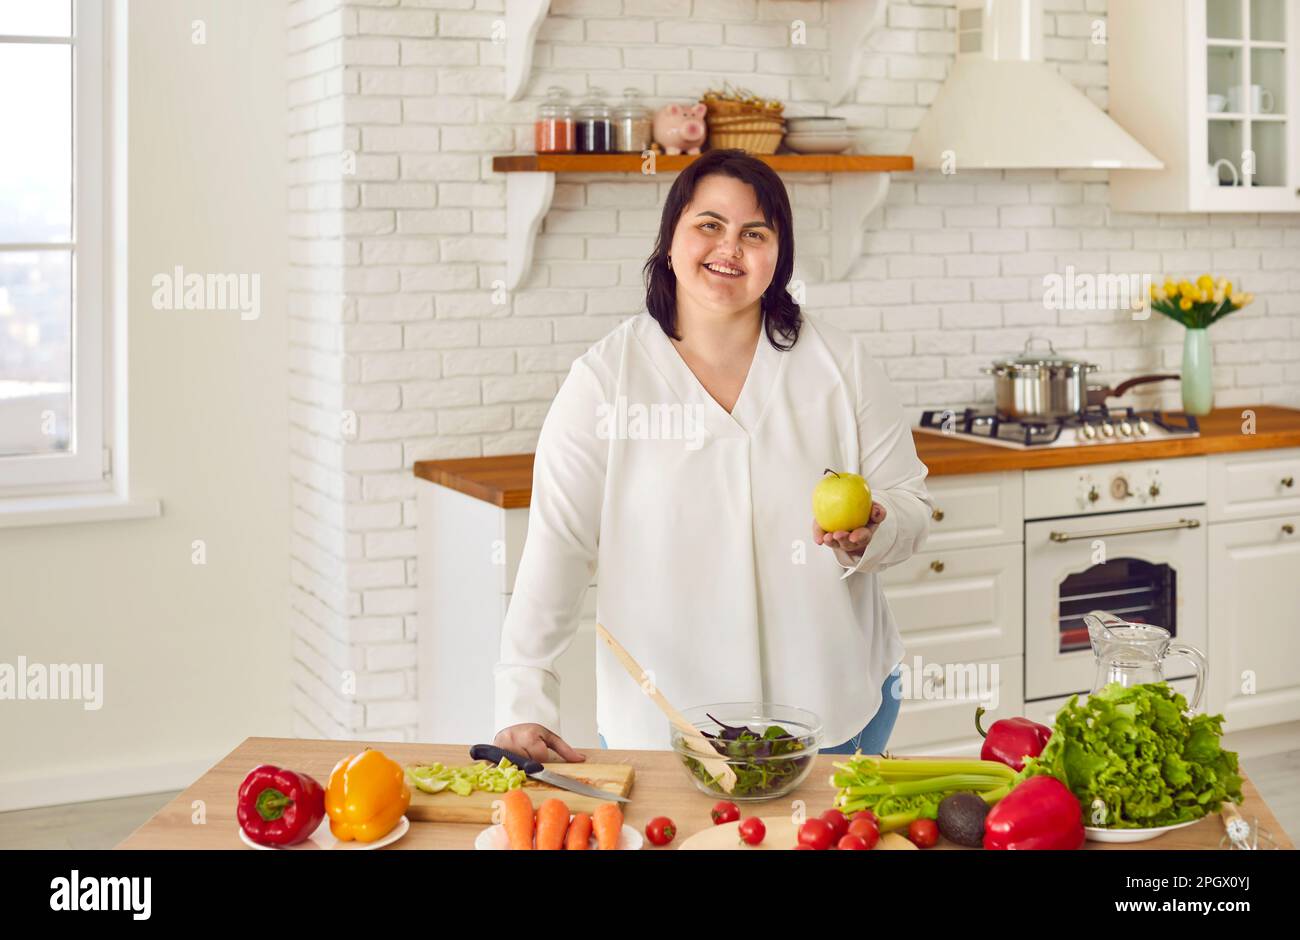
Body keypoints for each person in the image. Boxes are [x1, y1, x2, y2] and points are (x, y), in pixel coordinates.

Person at [492, 148, 933, 763]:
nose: (730, 248)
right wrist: (523, 699)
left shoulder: (841, 365)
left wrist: (875, 529)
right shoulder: (604, 382)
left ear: (778, 256)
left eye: (754, 232)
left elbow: (909, 502)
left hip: (832, 708)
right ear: (670, 238)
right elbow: (557, 549)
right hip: (667, 722)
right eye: (708, 225)